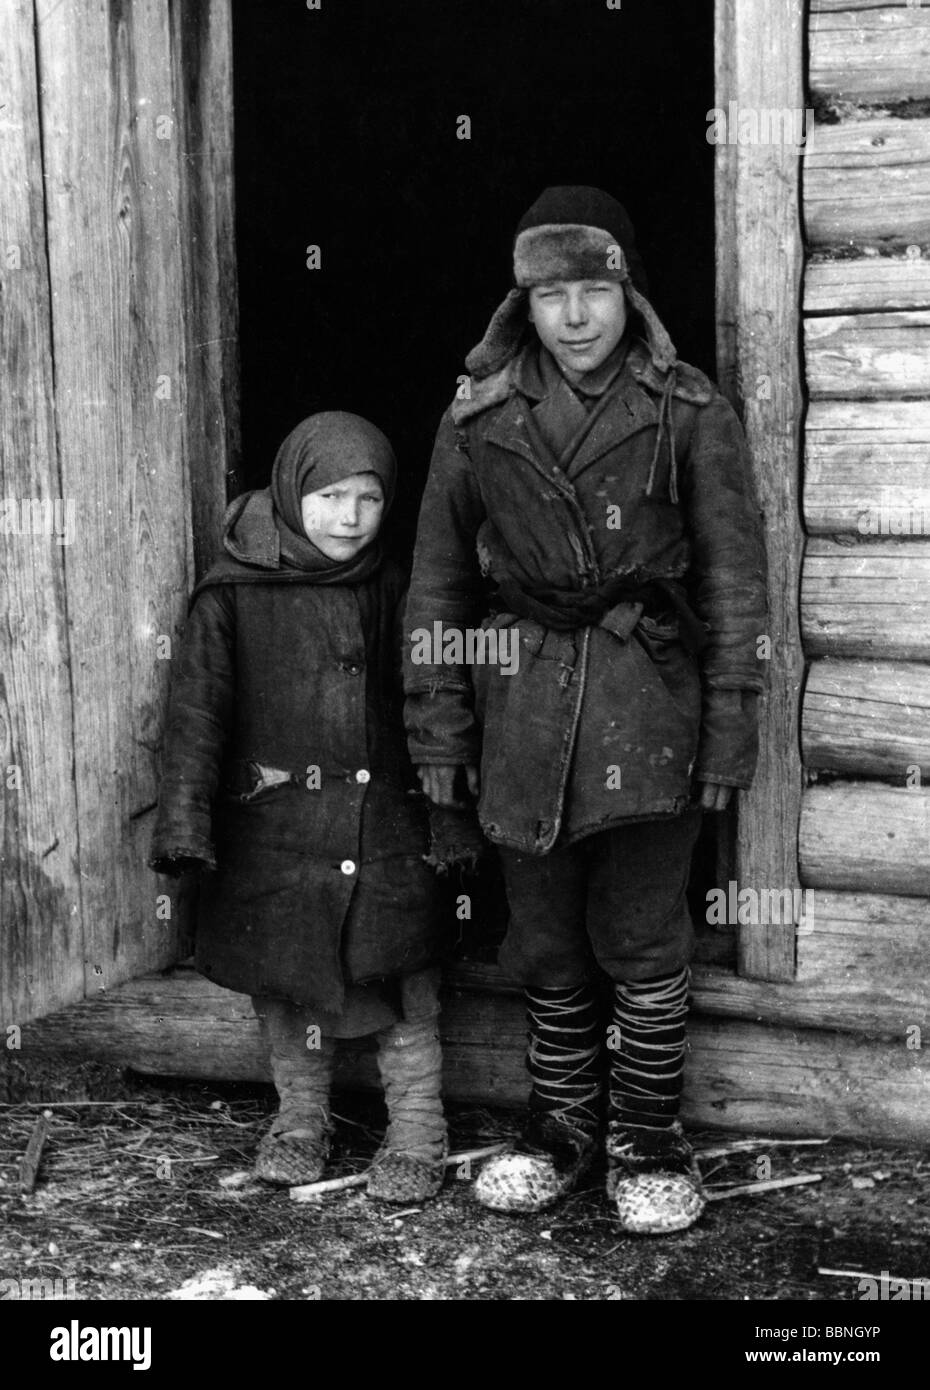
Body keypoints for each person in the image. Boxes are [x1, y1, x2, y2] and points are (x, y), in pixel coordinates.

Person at [404, 186, 767, 1233]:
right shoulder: (476, 417)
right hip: (518, 700)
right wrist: (439, 727)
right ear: (523, 302)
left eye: (594, 290)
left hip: (647, 701)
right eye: (551, 293)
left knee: (645, 935)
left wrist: (730, 724)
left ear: (627, 289)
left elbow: (736, 585)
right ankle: (559, 1128)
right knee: (546, 938)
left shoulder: (687, 411)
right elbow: (436, 586)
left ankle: (648, 1138)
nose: (575, 317)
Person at [149, 412, 447, 1203]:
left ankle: (419, 1131)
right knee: (285, 982)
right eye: (329, 496)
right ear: (289, 491)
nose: (349, 519)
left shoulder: (399, 583)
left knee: (402, 978)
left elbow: (437, 704)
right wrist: (185, 821)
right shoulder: (232, 594)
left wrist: (448, 812)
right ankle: (300, 1121)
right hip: (272, 828)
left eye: (369, 498)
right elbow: (196, 716)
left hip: (385, 818)